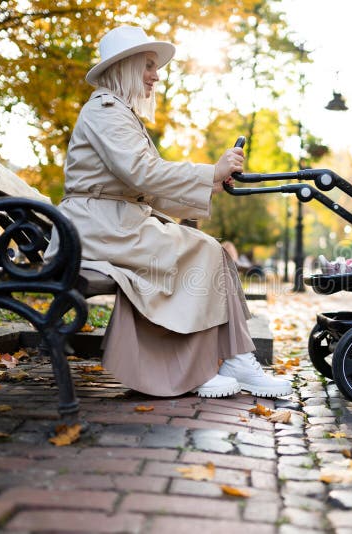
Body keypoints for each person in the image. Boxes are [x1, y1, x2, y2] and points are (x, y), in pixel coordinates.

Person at [55, 25, 291, 399]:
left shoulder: (119, 113)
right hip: (97, 228)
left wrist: (211, 183)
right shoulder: (105, 110)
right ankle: (195, 368)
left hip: (111, 223)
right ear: (126, 66)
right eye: (148, 65)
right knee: (203, 252)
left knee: (213, 253)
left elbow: (142, 186)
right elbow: (142, 173)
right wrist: (208, 172)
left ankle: (239, 357)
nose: (156, 75)